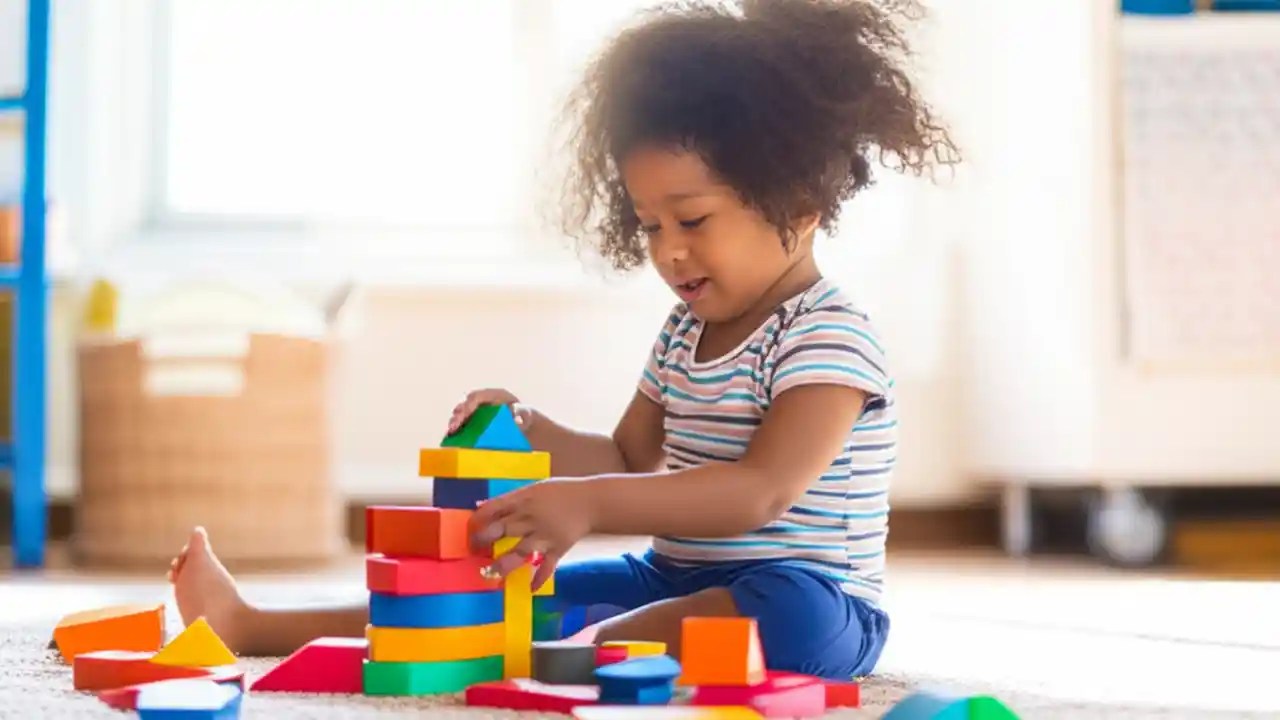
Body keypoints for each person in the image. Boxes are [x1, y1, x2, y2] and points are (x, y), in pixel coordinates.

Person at [168, 0, 956, 680]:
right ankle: (254, 625)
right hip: (670, 575)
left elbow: (762, 492)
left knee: (790, 616)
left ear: (799, 201)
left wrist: (585, 503)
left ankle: (596, 652)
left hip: (813, 597)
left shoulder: (830, 336)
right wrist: (530, 432)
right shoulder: (686, 329)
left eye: (692, 220)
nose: (667, 250)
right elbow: (624, 458)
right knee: (495, 590)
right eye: (648, 225)